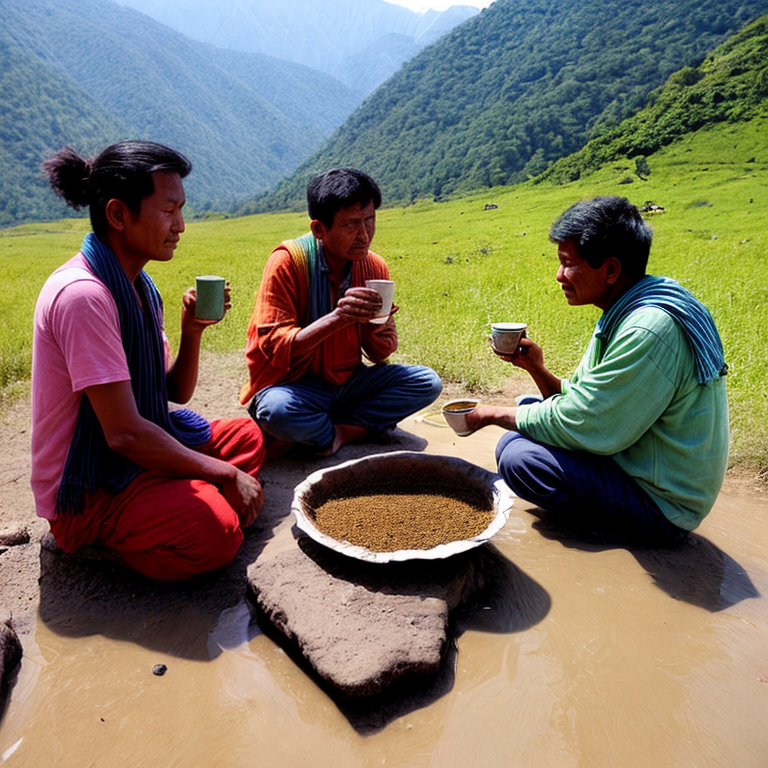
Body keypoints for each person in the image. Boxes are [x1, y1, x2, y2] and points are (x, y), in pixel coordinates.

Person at [32, 140, 265, 581]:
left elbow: (173, 392)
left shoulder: (139, 287)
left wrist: (191, 332)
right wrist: (223, 475)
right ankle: (100, 545)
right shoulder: (84, 296)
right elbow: (122, 434)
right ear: (118, 215)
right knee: (216, 532)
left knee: (247, 437)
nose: (180, 225)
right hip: (92, 484)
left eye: (182, 210)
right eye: (168, 210)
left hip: (136, 452)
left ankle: (171, 495)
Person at [465, 196, 729, 545]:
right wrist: (536, 369)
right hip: (634, 455)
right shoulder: (629, 306)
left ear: (610, 270)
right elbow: (585, 402)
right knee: (529, 411)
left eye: (567, 263)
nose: (559, 275)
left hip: (664, 505)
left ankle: (610, 530)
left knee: (519, 457)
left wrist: (490, 414)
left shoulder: (648, 328)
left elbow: (590, 422)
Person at [240, 167, 442, 455]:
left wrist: (378, 323)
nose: (364, 235)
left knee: (426, 382)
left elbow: (380, 353)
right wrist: (338, 318)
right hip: (296, 387)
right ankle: (361, 425)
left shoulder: (373, 266)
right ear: (319, 230)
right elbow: (275, 346)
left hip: (350, 382)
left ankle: (337, 433)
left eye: (370, 221)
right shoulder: (288, 262)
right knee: (277, 411)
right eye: (351, 225)